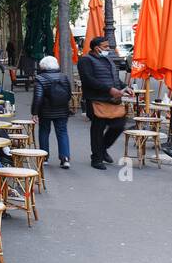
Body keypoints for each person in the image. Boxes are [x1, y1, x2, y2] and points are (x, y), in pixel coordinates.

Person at [77, 35, 132, 170]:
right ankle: (96, 159)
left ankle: (102, 150)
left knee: (119, 125)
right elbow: (88, 80)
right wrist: (109, 89)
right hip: (96, 100)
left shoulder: (108, 59)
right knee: (97, 129)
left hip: (112, 100)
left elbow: (114, 79)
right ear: (97, 48)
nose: (109, 49)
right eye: (106, 47)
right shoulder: (85, 61)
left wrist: (125, 87)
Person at [32, 55, 73, 168]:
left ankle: (44, 157)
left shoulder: (40, 78)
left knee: (44, 132)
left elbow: (38, 97)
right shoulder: (64, 77)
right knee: (62, 132)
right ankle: (65, 158)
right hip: (62, 110)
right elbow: (69, 94)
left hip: (45, 111)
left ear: (42, 66)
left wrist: (34, 112)